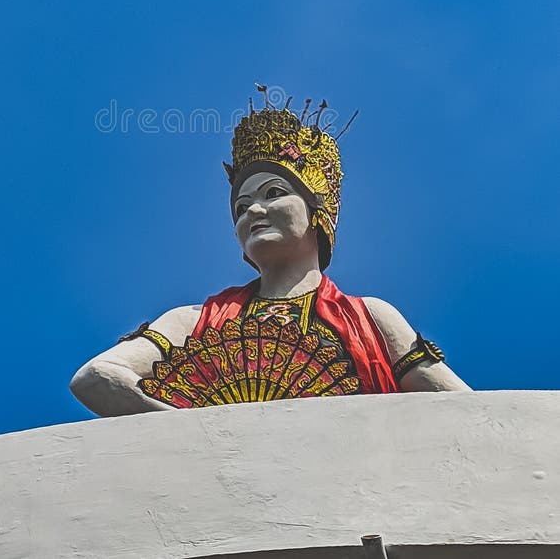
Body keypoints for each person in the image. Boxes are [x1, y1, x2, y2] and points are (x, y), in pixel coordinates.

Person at [70, 91, 470, 416]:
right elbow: (96, 378)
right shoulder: (192, 322)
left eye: (273, 194)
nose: (253, 212)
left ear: (318, 213)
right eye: (241, 207)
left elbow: (469, 411)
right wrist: (196, 431)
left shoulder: (370, 318)